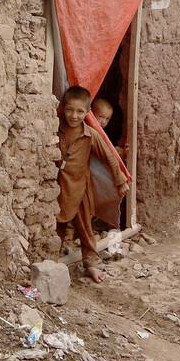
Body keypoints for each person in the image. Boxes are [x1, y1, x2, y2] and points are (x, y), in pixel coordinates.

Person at [56, 85, 126, 283]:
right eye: (70, 110)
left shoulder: (90, 135)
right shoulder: (56, 129)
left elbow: (110, 156)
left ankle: (91, 265)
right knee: (58, 225)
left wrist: (119, 180)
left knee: (86, 229)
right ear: (62, 108)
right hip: (60, 187)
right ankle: (53, 260)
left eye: (80, 111)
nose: (74, 115)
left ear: (87, 113)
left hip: (82, 189)